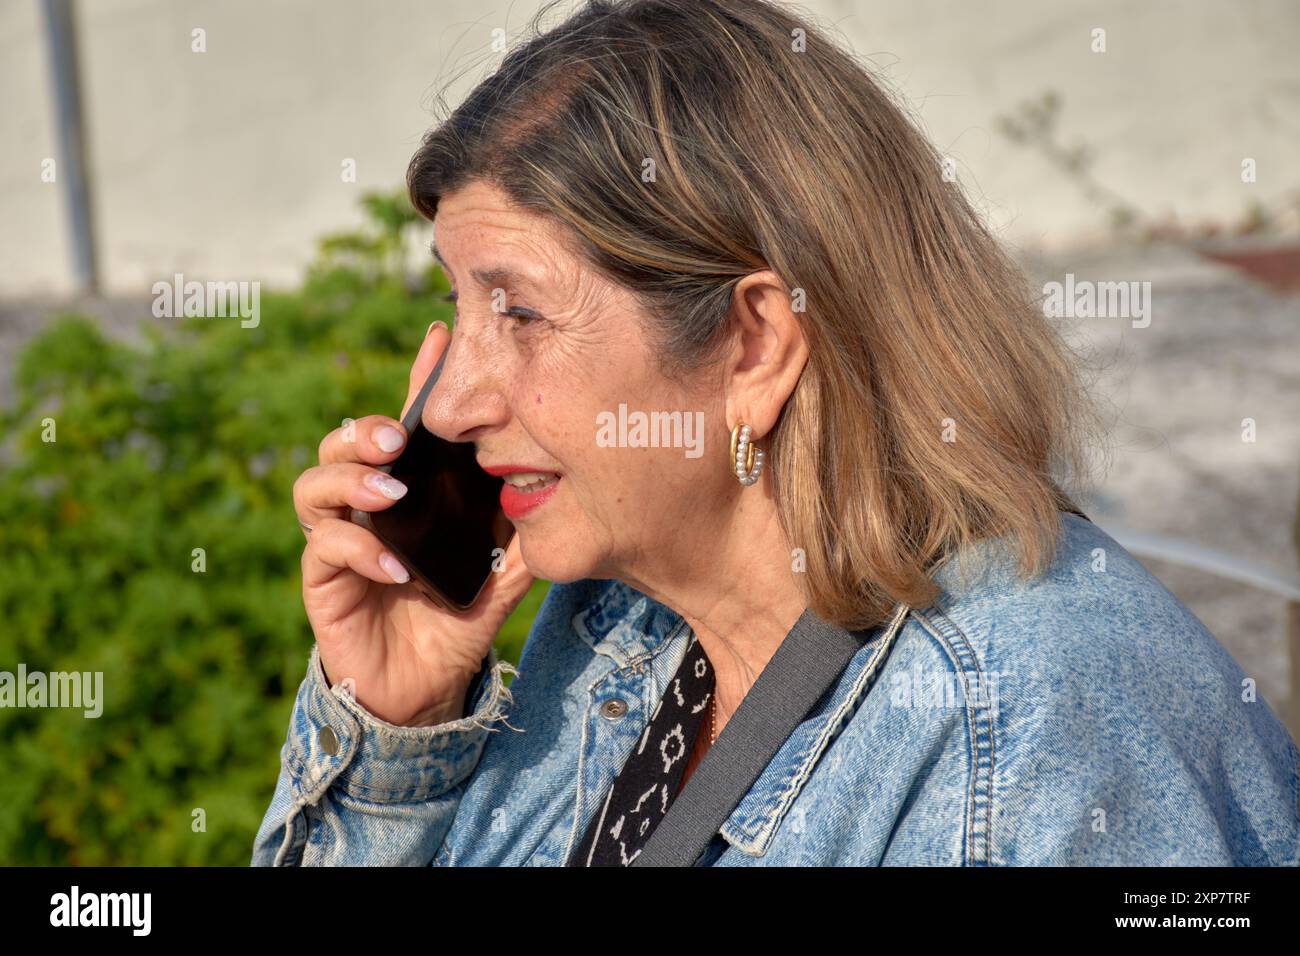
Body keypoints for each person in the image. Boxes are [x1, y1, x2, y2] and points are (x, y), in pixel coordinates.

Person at [252, 0, 1300, 866]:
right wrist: (398, 735)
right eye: (458, 306)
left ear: (754, 345)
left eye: (518, 310)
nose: (446, 404)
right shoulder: (617, 619)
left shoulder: (1039, 732)